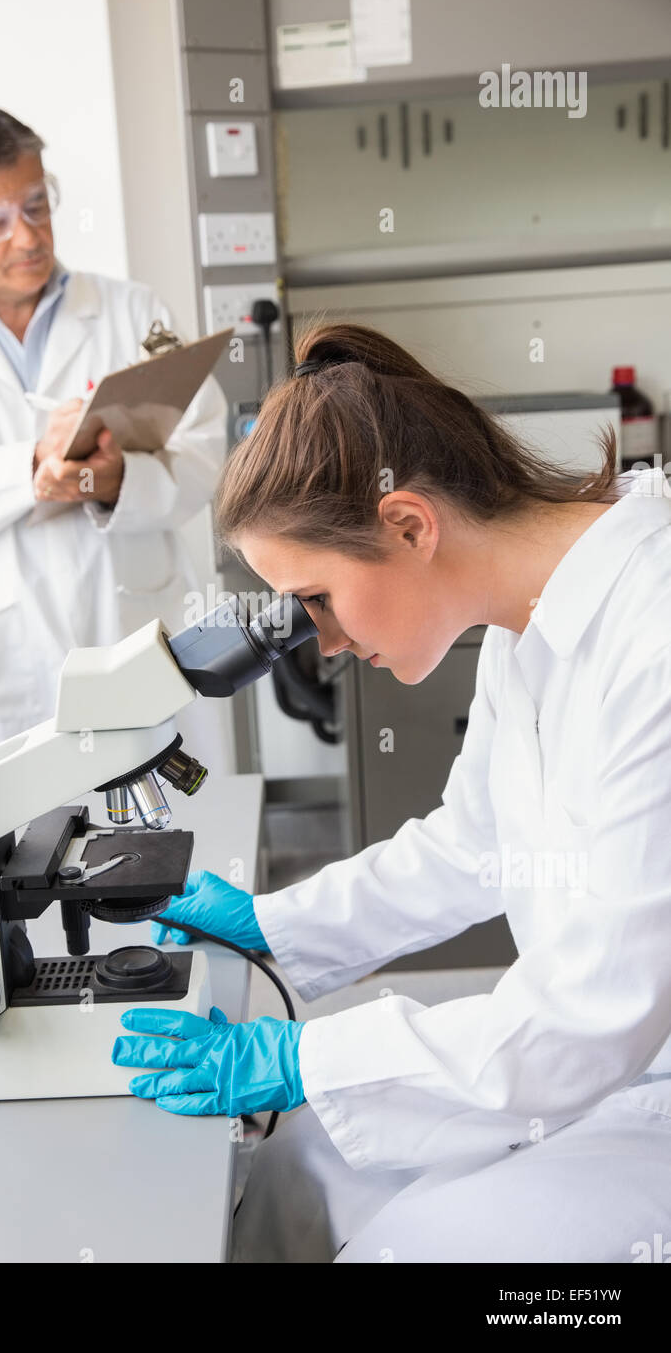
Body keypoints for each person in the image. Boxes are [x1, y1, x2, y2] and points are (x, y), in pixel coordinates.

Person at [111, 322, 671, 1263]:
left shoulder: (651, 634)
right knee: (292, 1178)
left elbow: (596, 1010)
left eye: (318, 598)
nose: (321, 643)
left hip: (635, 1076)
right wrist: (271, 926)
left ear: (409, 523)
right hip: (598, 1066)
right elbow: (477, 846)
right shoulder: (529, 618)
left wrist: (299, 1059)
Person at [0, 105, 228, 767]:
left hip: (135, 634)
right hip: (3, 671)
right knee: (17, 855)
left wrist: (115, 481)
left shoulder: (133, 311)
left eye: (36, 204)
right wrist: (31, 465)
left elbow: (203, 451)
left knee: (171, 841)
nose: (26, 236)